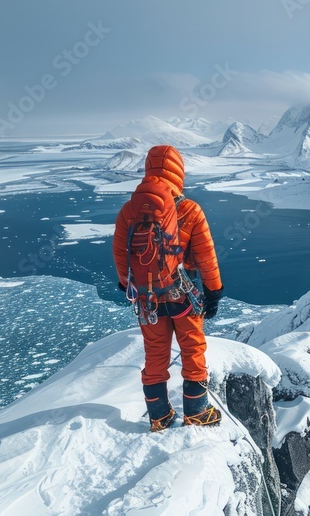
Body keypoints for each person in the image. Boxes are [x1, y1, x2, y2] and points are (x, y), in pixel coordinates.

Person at [112, 145, 225, 432]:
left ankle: (159, 416)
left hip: (147, 298)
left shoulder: (129, 211)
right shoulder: (189, 209)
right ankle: (197, 410)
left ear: (148, 170)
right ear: (179, 171)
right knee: (192, 348)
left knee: (155, 353)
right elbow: (205, 256)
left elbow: (120, 253)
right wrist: (214, 292)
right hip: (182, 294)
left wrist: (128, 284)